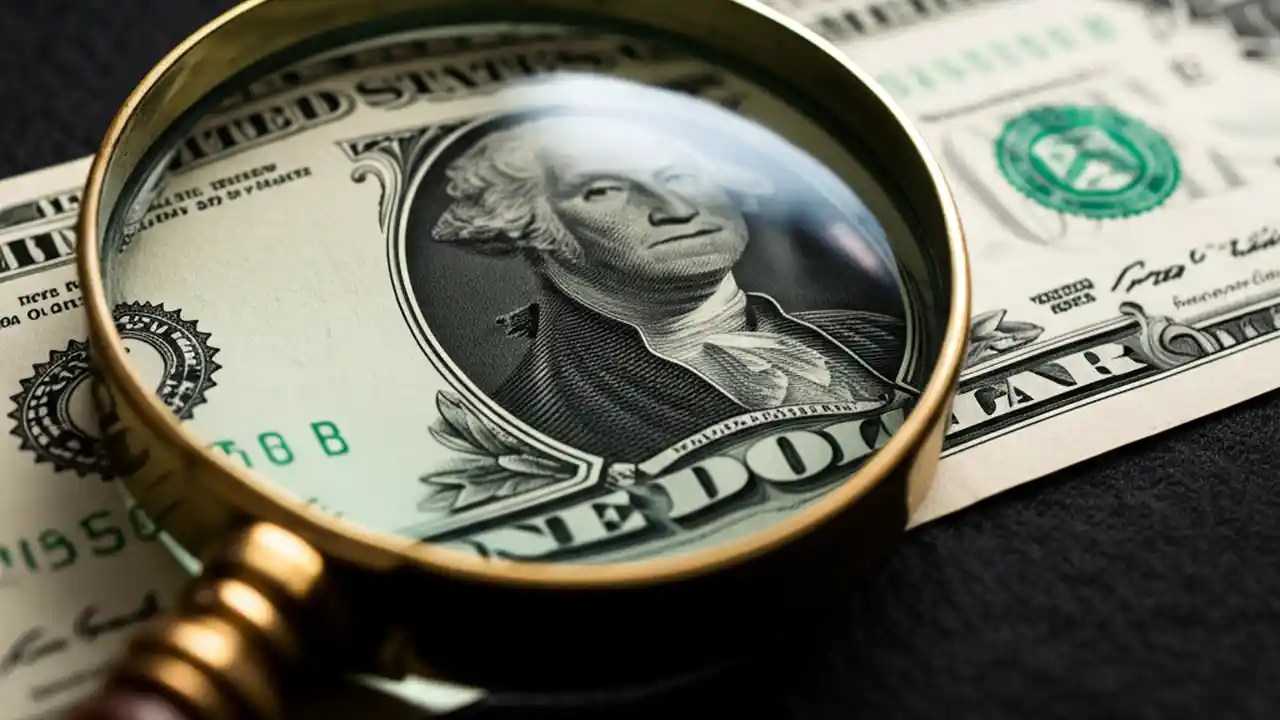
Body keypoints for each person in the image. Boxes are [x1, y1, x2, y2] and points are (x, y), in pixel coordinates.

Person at [431, 114, 912, 462]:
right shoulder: (533, 425)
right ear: (530, 224)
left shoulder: (881, 336)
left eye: (680, 176)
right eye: (603, 190)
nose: (676, 207)